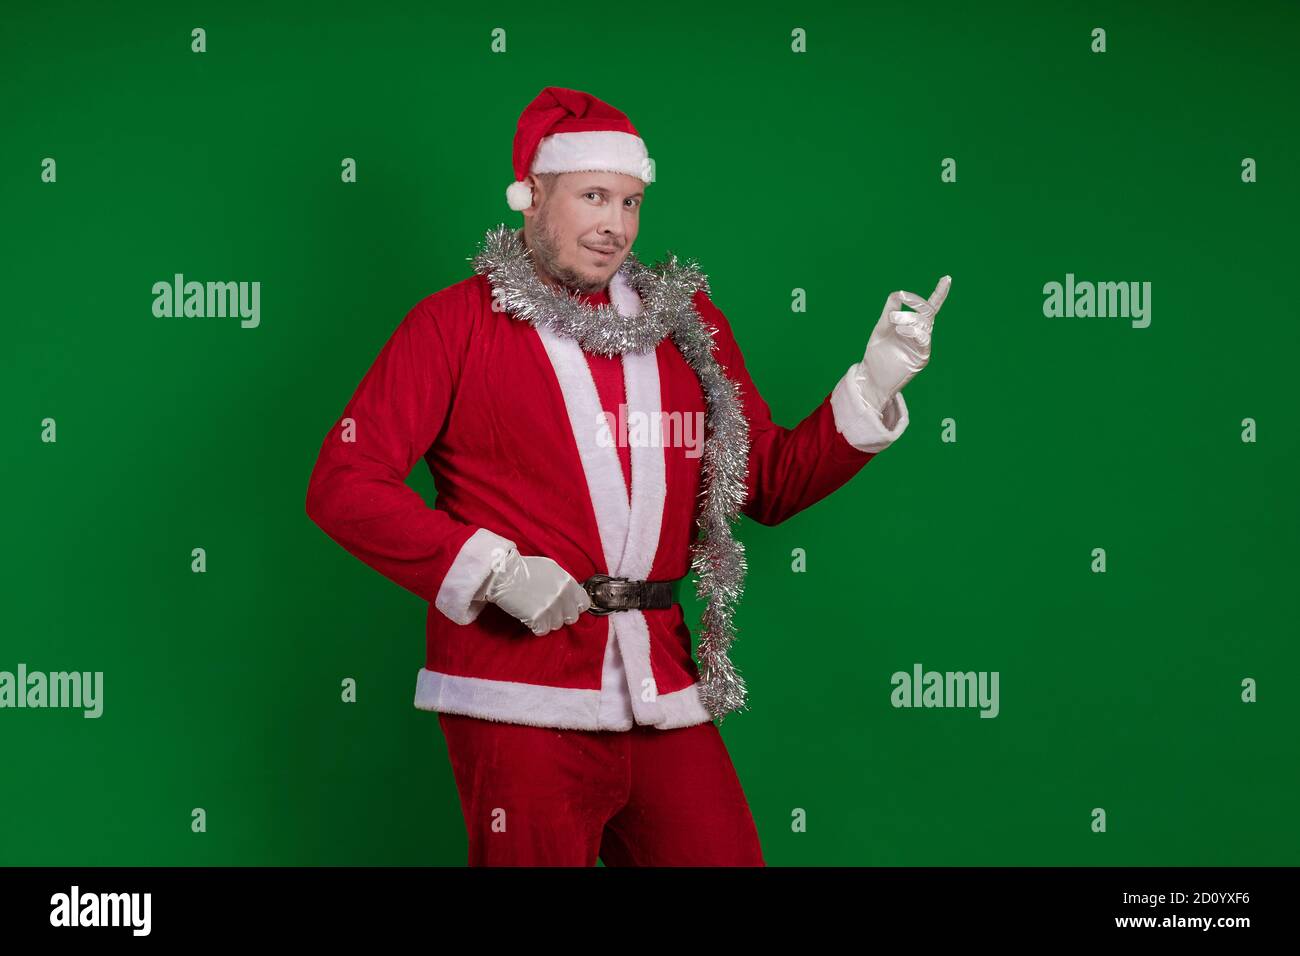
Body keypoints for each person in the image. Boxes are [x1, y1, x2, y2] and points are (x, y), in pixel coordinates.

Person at [305, 86, 951, 866]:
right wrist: (492, 570)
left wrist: (875, 385)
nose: (616, 224)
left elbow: (765, 484)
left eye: (632, 202)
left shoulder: (687, 325)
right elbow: (345, 482)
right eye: (594, 197)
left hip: (661, 682)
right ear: (532, 195)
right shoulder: (452, 324)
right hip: (518, 693)